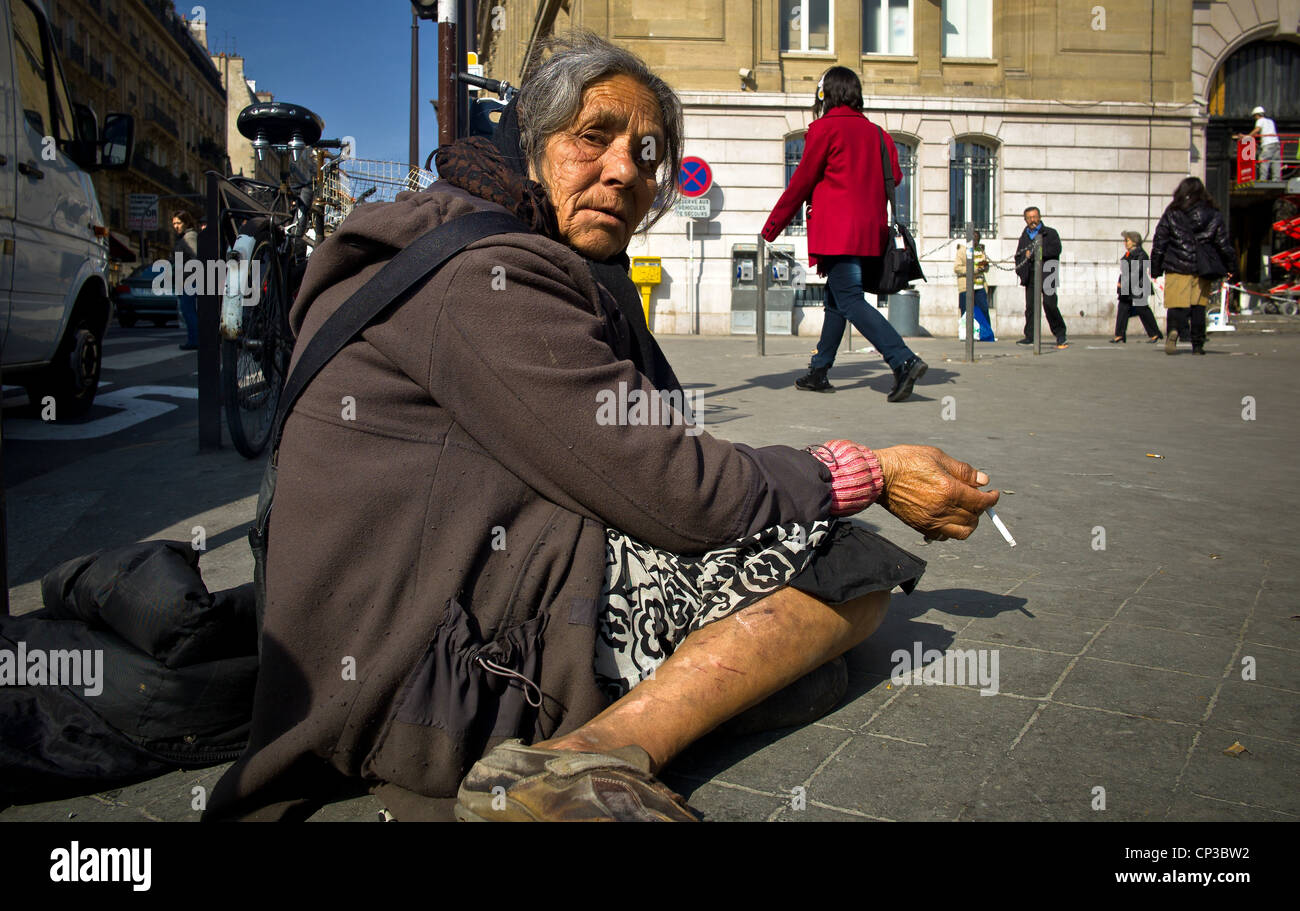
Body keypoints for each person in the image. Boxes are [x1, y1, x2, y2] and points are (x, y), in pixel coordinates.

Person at [204, 33, 999, 823]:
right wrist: (868, 472)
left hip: (410, 608)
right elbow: (680, 487)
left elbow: (654, 437)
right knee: (841, 562)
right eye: (595, 137)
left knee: (817, 650)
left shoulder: (494, 241)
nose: (625, 170)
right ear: (531, 143)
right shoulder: (486, 271)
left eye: (648, 155)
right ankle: (585, 761)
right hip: (405, 681)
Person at [761, 66, 928, 403]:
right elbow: (894, 176)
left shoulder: (824, 129)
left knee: (849, 299)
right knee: (837, 301)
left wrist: (772, 227)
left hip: (838, 232)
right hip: (870, 233)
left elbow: (802, 182)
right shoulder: (879, 134)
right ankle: (819, 371)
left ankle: (902, 359)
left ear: (826, 94)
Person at [1149, 176, 1235, 355]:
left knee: (1176, 304)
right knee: (1198, 305)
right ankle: (1198, 344)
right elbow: (1222, 243)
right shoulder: (1212, 213)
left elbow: (1160, 240)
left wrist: (1156, 267)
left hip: (1176, 264)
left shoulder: (1173, 211)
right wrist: (1231, 266)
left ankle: (1173, 331)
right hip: (1201, 266)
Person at [1014, 207, 1068, 348]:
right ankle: (1030, 336)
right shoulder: (1025, 235)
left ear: (1040, 217)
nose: (1032, 220)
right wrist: (1020, 270)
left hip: (1048, 273)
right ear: (1025, 219)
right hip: (1030, 274)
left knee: (1050, 304)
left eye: (1034, 217)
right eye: (1029, 218)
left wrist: (1035, 253)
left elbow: (1056, 250)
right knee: (1030, 306)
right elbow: (1019, 254)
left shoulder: (1049, 233)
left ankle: (1060, 334)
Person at [1112, 231, 1162, 343]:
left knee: (1143, 309)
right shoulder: (1128, 254)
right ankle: (1119, 334)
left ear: (1134, 241)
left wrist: (1124, 282)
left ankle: (1154, 333)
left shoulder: (1141, 254)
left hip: (1138, 285)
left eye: (1127, 240)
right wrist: (1120, 282)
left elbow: (1137, 271)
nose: (1125, 243)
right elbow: (1124, 271)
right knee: (1123, 308)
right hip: (1127, 285)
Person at [954, 230, 995, 341]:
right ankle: (966, 335)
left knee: (983, 310)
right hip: (966, 287)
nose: (975, 241)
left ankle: (986, 334)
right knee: (966, 312)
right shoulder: (962, 251)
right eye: (974, 239)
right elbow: (957, 268)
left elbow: (984, 264)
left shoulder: (980, 250)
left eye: (977, 239)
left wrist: (985, 267)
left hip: (980, 286)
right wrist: (976, 269)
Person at [170, 210, 199, 350]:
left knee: (188, 311)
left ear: (186, 222)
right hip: (186, 280)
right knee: (188, 311)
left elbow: (196, 257)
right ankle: (193, 339)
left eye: (179, 223)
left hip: (190, 281)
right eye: (174, 223)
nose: (176, 226)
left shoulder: (189, 237)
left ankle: (195, 340)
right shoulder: (184, 237)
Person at [1234, 106, 1281, 183]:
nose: (1255, 118)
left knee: (1263, 159)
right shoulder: (1270, 121)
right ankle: (1276, 179)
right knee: (1275, 161)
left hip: (1268, 143)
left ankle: (1263, 179)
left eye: (1255, 116)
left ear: (1257, 115)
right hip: (1276, 143)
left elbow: (1257, 130)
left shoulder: (1260, 120)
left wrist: (1247, 137)